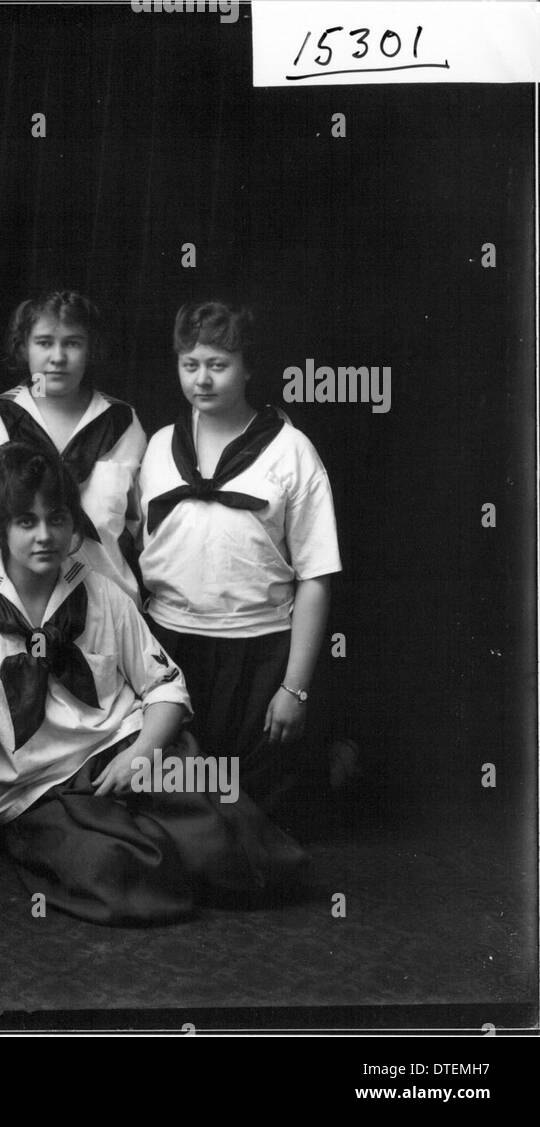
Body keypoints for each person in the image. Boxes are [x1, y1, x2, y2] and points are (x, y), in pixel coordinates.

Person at [0, 442, 306, 925]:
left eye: (57, 519)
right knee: (126, 874)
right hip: (45, 785)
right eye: (26, 522)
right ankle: (142, 843)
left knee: (243, 849)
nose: (44, 536)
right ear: (0, 528)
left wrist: (140, 753)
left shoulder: (101, 592)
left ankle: (174, 839)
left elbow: (166, 689)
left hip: (127, 748)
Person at [138, 301, 342, 823]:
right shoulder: (160, 445)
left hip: (258, 655)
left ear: (248, 367)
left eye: (218, 365)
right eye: (190, 365)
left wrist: (294, 687)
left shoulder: (291, 450)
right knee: (175, 806)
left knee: (252, 812)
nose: (202, 379)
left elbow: (316, 576)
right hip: (170, 647)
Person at [0, 290, 148, 603]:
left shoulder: (122, 423)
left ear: (90, 349)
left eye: (72, 343)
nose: (58, 357)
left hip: (105, 606)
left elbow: (139, 531)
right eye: (44, 342)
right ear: (24, 347)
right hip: (8, 602)